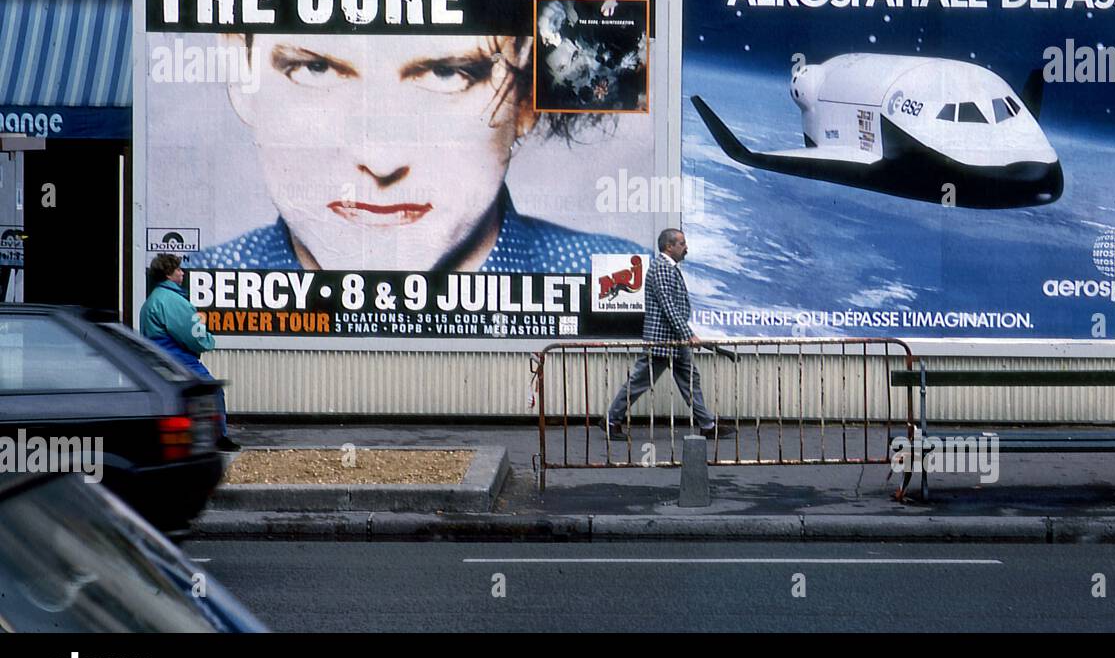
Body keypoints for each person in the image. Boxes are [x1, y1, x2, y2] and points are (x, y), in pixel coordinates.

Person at [188, 32, 637, 272]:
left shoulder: (618, 277)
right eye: (316, 68)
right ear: (240, 71)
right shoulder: (193, 288)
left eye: (447, 73)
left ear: (524, 100)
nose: (381, 160)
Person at [604, 228, 734, 440]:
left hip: (674, 339)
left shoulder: (668, 267)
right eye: (682, 244)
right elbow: (668, 305)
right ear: (669, 246)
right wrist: (688, 334)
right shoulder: (662, 268)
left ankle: (708, 425)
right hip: (662, 340)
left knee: (691, 380)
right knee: (639, 382)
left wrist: (685, 335)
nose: (686, 248)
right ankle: (611, 420)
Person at [141, 253, 238, 452]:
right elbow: (193, 334)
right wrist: (208, 341)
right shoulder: (172, 301)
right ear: (168, 274)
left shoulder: (151, 300)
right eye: (178, 269)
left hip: (158, 358)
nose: (182, 272)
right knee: (211, 392)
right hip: (177, 358)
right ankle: (218, 438)